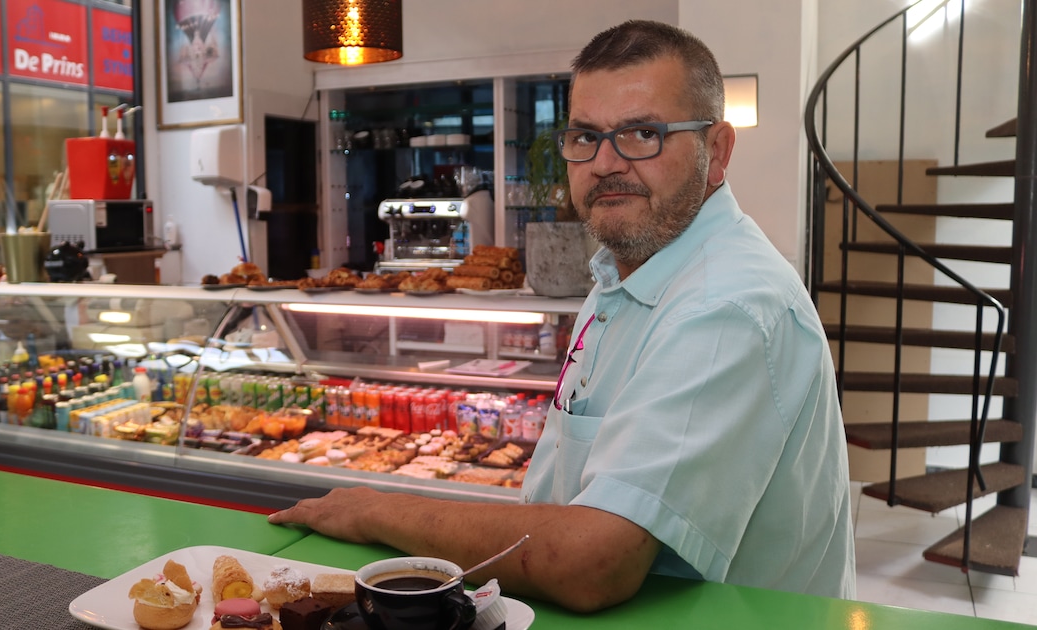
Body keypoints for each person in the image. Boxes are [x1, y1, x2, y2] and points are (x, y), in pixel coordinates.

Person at [269, 19, 855, 612]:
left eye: (642, 133)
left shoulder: (725, 304)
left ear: (718, 151)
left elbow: (591, 561)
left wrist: (378, 509)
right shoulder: (627, 269)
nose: (604, 163)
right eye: (585, 137)